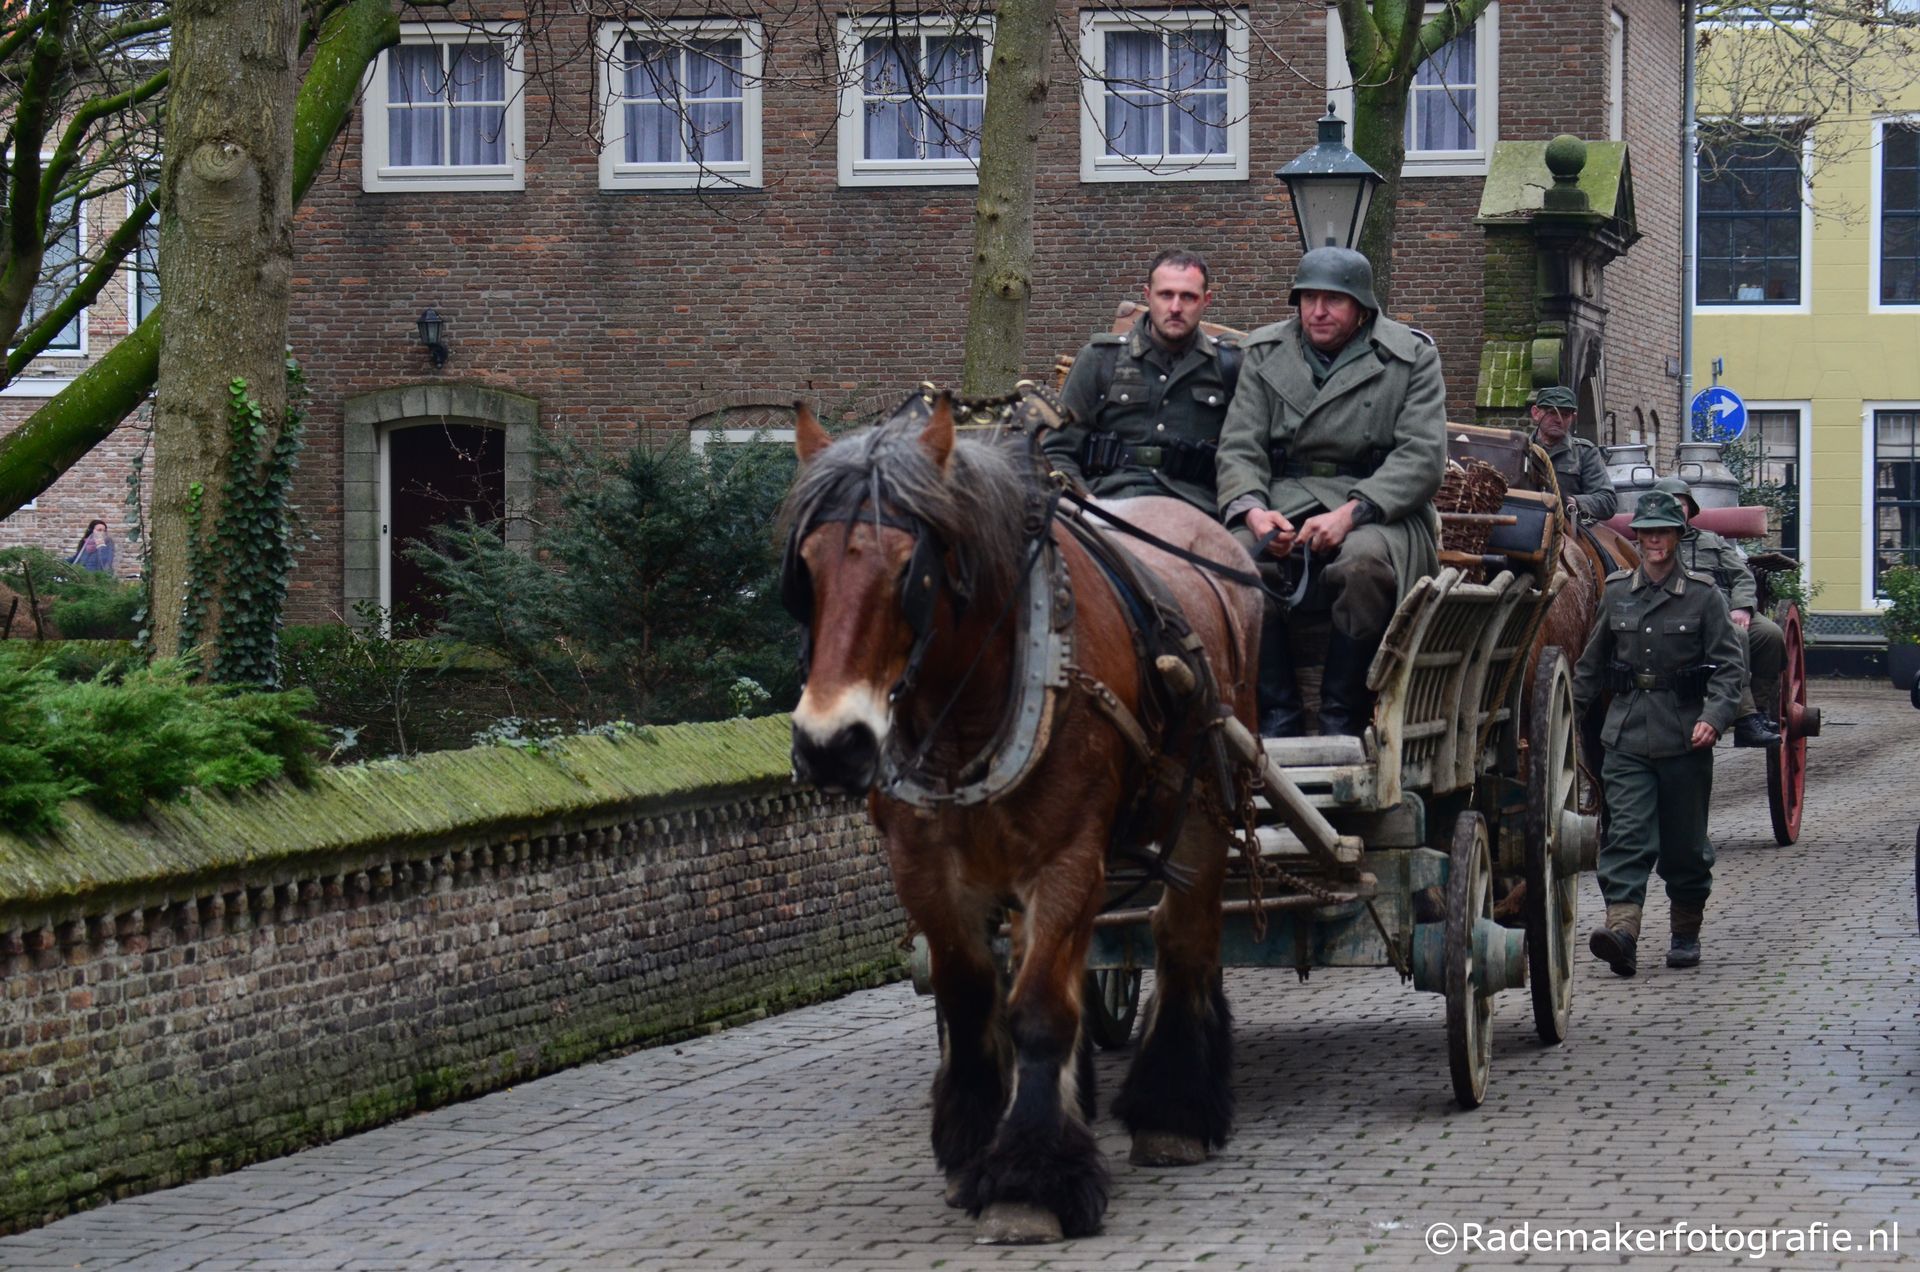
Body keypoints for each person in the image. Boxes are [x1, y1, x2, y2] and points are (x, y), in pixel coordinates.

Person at [1215, 246, 1447, 737]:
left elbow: (1422, 457)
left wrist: (1351, 513)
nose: (1317, 311)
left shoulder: (1410, 357)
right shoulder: (1264, 353)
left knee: (1361, 566)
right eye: (1308, 298)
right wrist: (1254, 511)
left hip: (1379, 507)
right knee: (1233, 561)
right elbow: (1240, 447)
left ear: (1361, 308)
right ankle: (1278, 714)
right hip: (1282, 497)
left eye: (1333, 301)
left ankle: (1343, 717)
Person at [1573, 489, 1745, 975]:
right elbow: (1590, 667)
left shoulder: (1704, 596)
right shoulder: (1616, 592)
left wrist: (1714, 716)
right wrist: (1564, 716)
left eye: (1662, 533)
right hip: (1626, 735)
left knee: (1685, 846)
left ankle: (1685, 931)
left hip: (1685, 736)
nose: (1653, 542)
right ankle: (1622, 930)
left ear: (1677, 536)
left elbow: (1730, 670)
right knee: (1625, 834)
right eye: (1646, 533)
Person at [1046, 249, 1241, 513]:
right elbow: (1057, 450)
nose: (1175, 307)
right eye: (1165, 295)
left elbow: (1246, 455)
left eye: (1188, 297)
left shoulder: (1229, 366)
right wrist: (1083, 500)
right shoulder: (1100, 359)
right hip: (1109, 503)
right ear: (1148, 295)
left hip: (1196, 509)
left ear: (1206, 301)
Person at [1651, 476, 1783, 748]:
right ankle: (1744, 718)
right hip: (1687, 618)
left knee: (1770, 635)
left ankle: (1758, 708)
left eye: (1683, 504)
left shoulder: (1712, 540)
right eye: (1671, 503)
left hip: (1727, 608)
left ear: (1691, 509)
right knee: (1736, 636)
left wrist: (1743, 607)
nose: (1678, 509)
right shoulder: (1652, 543)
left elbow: (1743, 576)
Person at [1528, 385, 1616, 522]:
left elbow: (1608, 500)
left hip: (1570, 526)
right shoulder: (1519, 450)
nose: (1559, 420)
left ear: (1573, 417)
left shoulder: (1584, 452)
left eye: (1565, 415)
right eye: (1552, 413)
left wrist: (1576, 502)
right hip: (1524, 522)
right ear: (1536, 413)